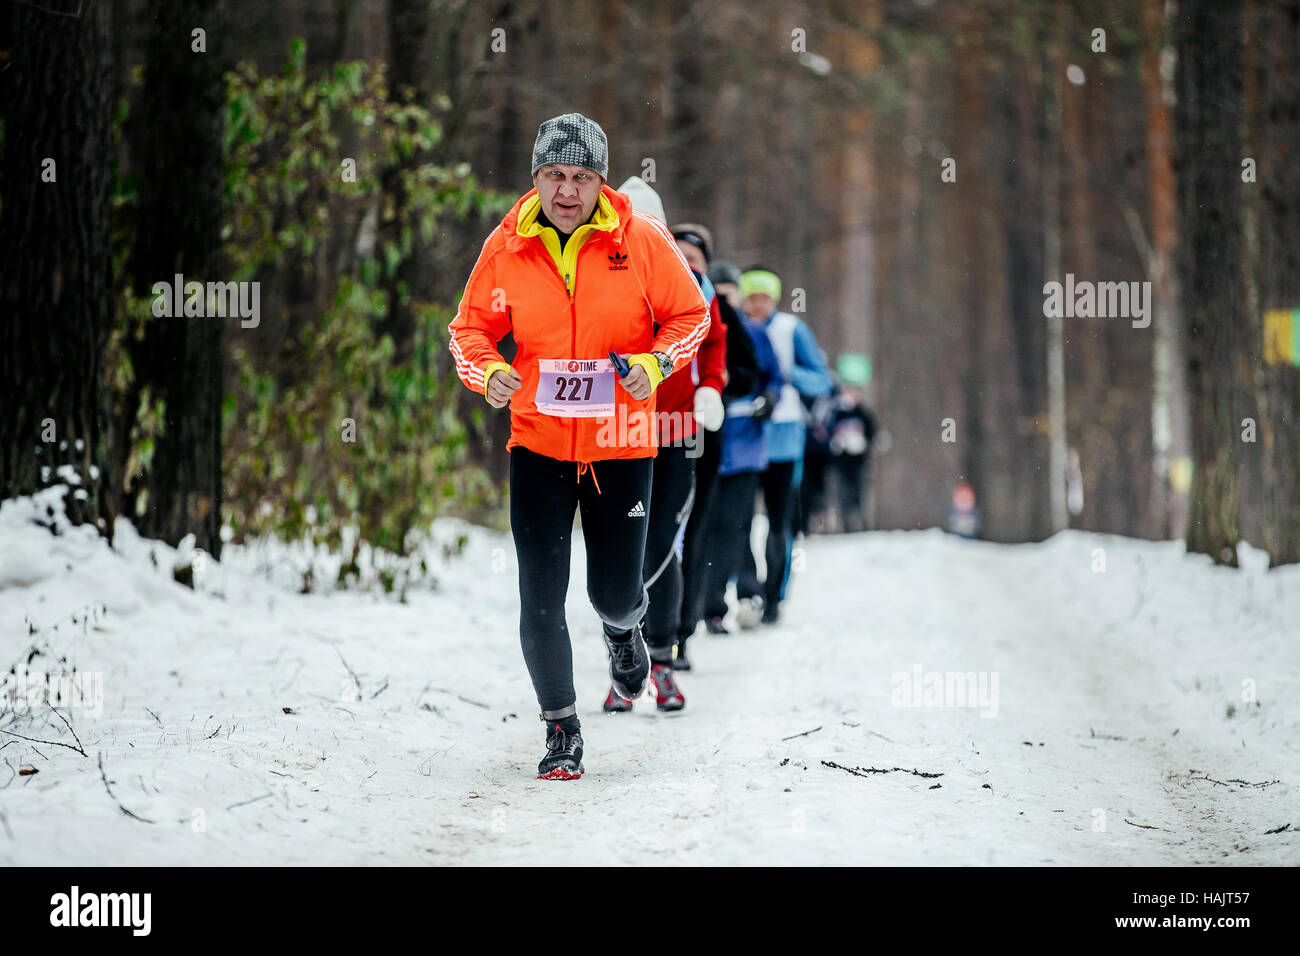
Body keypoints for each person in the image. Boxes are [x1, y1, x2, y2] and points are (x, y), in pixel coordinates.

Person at [447, 113, 710, 779]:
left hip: (621, 443)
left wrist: (653, 366)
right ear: (536, 176)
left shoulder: (641, 240)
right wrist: (489, 373)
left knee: (615, 593)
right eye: (554, 174)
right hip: (536, 444)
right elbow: (469, 329)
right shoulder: (507, 245)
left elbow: (692, 315)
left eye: (581, 176)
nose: (566, 190)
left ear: (599, 180)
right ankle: (561, 727)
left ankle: (626, 633)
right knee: (539, 594)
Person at [598, 183, 727, 711]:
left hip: (675, 435)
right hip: (616, 436)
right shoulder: (600, 278)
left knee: (661, 550)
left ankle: (665, 662)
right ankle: (623, 665)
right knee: (617, 555)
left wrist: (711, 388)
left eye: (653, 228)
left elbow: (714, 342)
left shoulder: (693, 284)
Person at [733, 267, 832, 624]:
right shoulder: (735, 327)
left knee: (779, 521)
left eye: (763, 298)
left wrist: (788, 374)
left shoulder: (793, 330)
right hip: (743, 437)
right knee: (739, 520)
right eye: (751, 298)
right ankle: (749, 591)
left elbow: (822, 380)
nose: (756, 305)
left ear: (774, 299)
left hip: (785, 439)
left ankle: (775, 594)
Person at [697, 287, 784, 635]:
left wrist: (769, 399)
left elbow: (775, 377)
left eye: (732, 295)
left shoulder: (753, 333)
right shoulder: (696, 326)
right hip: (704, 443)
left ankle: (749, 595)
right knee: (707, 524)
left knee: (738, 523)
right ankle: (711, 606)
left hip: (746, 444)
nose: (726, 303)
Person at [828, 383, 877, 533]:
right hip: (842, 462)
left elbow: (872, 433)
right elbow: (829, 434)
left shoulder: (863, 413)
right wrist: (836, 443)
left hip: (859, 461)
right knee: (843, 493)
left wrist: (862, 443)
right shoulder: (837, 414)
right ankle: (846, 526)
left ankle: (863, 524)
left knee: (860, 492)